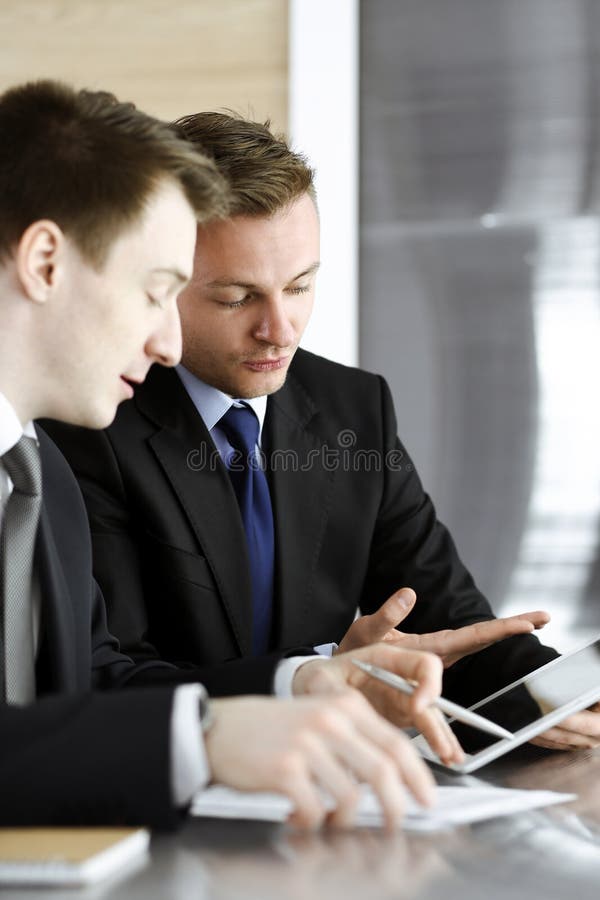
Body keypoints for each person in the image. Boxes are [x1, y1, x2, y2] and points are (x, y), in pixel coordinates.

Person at [43, 112, 600, 752]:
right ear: (161, 283)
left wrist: (555, 695)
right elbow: (110, 680)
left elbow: (453, 628)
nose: (279, 330)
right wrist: (317, 676)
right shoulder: (88, 423)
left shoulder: (354, 408)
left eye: (300, 286)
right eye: (236, 298)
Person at [0, 79, 466, 831]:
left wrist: (299, 683)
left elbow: (87, 694)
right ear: (46, 262)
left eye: (301, 286)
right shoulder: (68, 454)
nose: (166, 344)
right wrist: (203, 737)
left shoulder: (35, 476)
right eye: (157, 291)